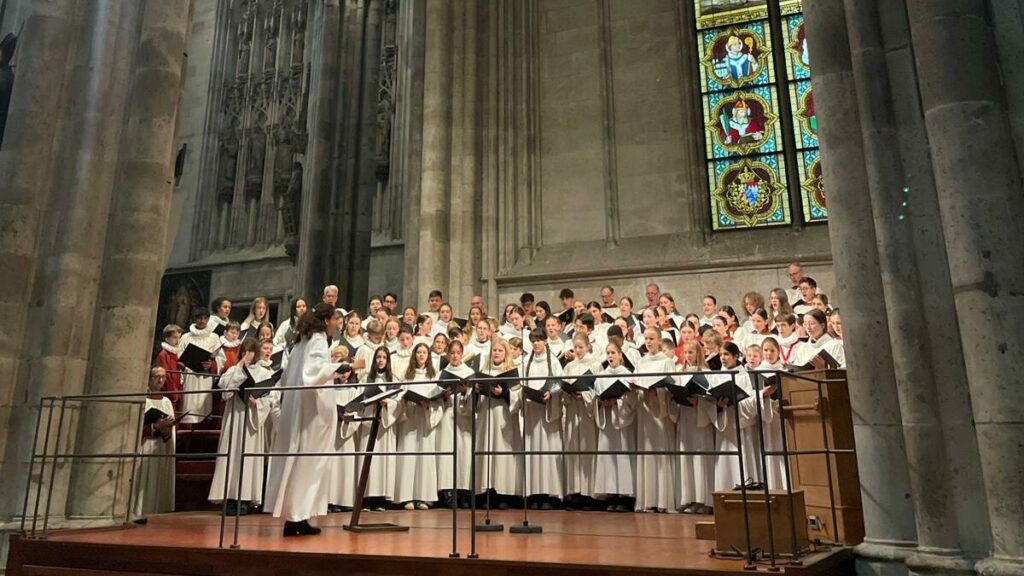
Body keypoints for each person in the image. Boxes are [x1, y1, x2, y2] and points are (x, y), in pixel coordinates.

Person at [264, 303, 352, 536]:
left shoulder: (302, 340)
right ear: (325, 320)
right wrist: (341, 366)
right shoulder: (317, 339)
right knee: (308, 462)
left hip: (301, 410)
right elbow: (313, 373)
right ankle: (296, 516)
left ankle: (297, 516)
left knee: (302, 462)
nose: (338, 324)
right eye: (336, 319)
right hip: (310, 414)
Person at [209, 338, 278, 515]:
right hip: (235, 419)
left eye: (251, 352)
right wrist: (240, 366)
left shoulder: (263, 373)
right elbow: (224, 391)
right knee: (231, 456)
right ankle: (229, 499)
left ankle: (244, 499)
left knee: (247, 459)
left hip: (250, 421)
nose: (248, 355)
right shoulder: (234, 369)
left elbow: (270, 399)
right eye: (245, 351)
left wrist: (257, 403)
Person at [633, 327, 677, 513]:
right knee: (647, 452)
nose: (649, 342)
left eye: (652, 338)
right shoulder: (641, 362)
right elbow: (634, 382)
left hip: (660, 412)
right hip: (645, 411)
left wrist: (658, 391)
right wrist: (636, 387)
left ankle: (664, 501)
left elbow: (673, 386)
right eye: (646, 338)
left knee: (661, 451)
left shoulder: (667, 362)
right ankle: (648, 499)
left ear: (659, 340)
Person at [474, 338, 523, 505]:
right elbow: (472, 399)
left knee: (502, 452)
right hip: (486, 416)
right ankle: (487, 491)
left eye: (500, 350)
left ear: (506, 353)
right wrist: (477, 390)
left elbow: (518, 396)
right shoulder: (483, 369)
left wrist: (504, 393)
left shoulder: (512, 371)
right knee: (487, 450)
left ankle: (504, 494)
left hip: (504, 417)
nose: (496, 353)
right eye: (494, 350)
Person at [669, 341, 715, 515]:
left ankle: (704, 499)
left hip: (700, 419)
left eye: (691, 352)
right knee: (687, 457)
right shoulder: (680, 373)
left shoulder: (706, 373)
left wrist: (700, 401)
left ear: (699, 354)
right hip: (685, 417)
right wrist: (675, 397)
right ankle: (689, 498)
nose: (688, 355)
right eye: (686, 352)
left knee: (701, 459)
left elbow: (711, 397)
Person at [521, 328, 565, 509]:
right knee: (532, 450)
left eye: (539, 340)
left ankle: (549, 493)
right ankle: (534, 493)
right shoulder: (525, 362)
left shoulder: (553, 361)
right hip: (532, 411)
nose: (536, 343)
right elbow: (520, 383)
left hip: (547, 412)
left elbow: (560, 381)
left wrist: (551, 393)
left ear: (545, 341)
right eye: (533, 340)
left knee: (547, 450)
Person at [394, 343, 440, 510]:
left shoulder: (433, 375)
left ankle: (423, 497)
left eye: (424, 352)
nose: (421, 355)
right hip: (410, 417)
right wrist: (407, 400)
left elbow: (437, 397)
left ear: (428, 356)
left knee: (424, 456)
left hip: (425, 417)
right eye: (419, 352)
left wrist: (429, 405)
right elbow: (400, 394)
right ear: (414, 355)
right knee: (409, 455)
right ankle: (407, 496)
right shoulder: (408, 375)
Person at [593, 341, 637, 512]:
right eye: (608, 353)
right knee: (608, 455)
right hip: (607, 420)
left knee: (622, 454)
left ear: (620, 355)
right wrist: (601, 401)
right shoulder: (602, 375)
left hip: (621, 422)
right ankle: (611, 493)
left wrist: (617, 401)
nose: (610, 356)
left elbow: (632, 400)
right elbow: (595, 396)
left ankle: (625, 495)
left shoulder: (626, 375)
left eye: (613, 353)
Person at [357, 346, 401, 512]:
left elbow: (399, 403)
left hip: (385, 425)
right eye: (378, 357)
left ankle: (381, 499)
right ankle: (366, 497)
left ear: (388, 360)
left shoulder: (393, 380)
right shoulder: (367, 379)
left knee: (383, 460)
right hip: (369, 423)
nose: (381, 360)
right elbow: (359, 398)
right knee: (369, 460)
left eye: (384, 357)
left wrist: (387, 403)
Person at [560, 334, 600, 510]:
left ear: (588, 347)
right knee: (574, 451)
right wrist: (568, 393)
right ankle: (574, 492)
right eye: (575, 347)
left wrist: (583, 394)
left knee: (587, 449)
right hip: (572, 412)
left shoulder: (595, 364)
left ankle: (588, 493)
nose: (577, 350)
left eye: (581, 347)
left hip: (586, 413)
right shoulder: (569, 366)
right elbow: (563, 387)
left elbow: (598, 389)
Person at [132, 367, 176, 518]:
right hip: (145, 447)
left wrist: (167, 430)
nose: (160, 380)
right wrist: (155, 426)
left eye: (163, 377)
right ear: (149, 378)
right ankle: (138, 512)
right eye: (157, 376)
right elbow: (134, 427)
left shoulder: (167, 401)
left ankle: (158, 513)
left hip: (160, 448)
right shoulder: (141, 399)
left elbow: (172, 430)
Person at [435, 340, 474, 508]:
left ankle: (464, 493)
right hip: (447, 415)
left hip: (463, 417)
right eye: (452, 353)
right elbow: (436, 393)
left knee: (463, 454)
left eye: (458, 353)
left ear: (462, 353)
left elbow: (474, 396)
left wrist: (466, 392)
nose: (455, 356)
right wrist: (444, 395)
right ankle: (448, 494)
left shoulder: (469, 371)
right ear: (447, 354)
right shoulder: (443, 373)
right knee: (447, 454)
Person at [328, 345, 360, 513]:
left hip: (347, 434)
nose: (344, 374)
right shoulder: (329, 389)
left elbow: (359, 412)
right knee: (331, 467)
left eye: (347, 371)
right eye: (341, 370)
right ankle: (330, 500)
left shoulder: (353, 390)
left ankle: (344, 499)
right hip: (332, 433)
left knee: (345, 465)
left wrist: (348, 417)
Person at [179, 307, 224, 425]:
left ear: (208, 319)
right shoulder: (186, 337)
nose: (202, 321)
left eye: (205, 318)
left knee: (204, 410)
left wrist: (211, 365)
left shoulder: (214, 337)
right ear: (194, 319)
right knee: (189, 411)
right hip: (190, 377)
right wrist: (183, 365)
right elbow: (179, 356)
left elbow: (221, 358)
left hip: (206, 378)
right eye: (199, 318)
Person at [155, 324, 183, 407]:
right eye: (174, 337)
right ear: (167, 339)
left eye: (179, 337)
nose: (177, 340)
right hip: (169, 391)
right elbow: (166, 375)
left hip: (177, 389)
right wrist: (173, 392)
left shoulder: (177, 353)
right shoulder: (163, 354)